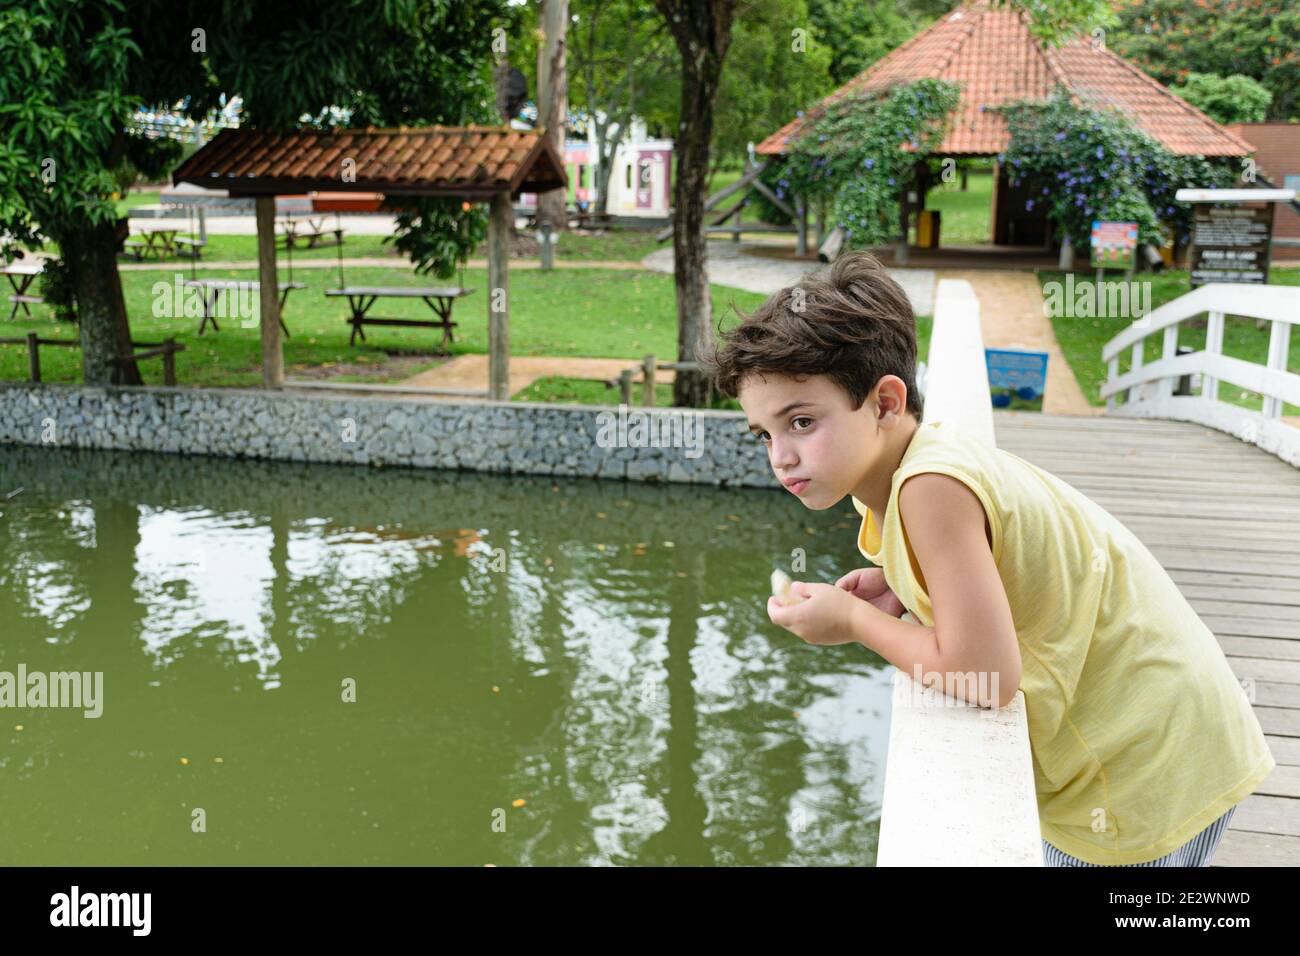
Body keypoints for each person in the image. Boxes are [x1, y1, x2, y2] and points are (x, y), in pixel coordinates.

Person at [697, 250, 1274, 867]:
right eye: (764, 433)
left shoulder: (929, 488)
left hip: (1142, 768)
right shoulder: (918, 469)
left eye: (802, 422)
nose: (779, 456)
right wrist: (905, 584)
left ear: (886, 404)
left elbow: (986, 676)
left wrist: (857, 622)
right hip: (1172, 732)